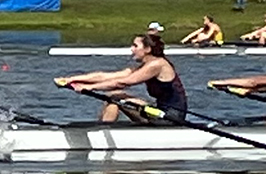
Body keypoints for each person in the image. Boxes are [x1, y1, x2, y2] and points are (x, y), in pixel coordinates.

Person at [55, 34, 186, 123]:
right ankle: (102, 127)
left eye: (135, 46)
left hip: (171, 116)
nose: (131, 49)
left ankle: (103, 131)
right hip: (158, 110)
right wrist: (71, 79)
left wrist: (89, 87)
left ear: (147, 49)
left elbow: (123, 82)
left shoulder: (157, 64)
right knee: (114, 97)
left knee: (116, 98)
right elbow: (107, 76)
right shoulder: (145, 66)